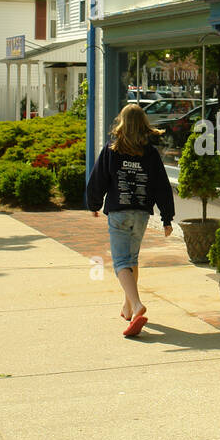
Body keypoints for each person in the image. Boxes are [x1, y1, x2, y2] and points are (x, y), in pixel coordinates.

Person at [86, 103, 175, 337]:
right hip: (141, 214)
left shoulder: (112, 149)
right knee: (131, 259)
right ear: (143, 124)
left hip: (119, 213)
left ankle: (137, 305)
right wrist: (167, 218)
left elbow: (98, 179)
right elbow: (162, 187)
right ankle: (127, 307)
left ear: (122, 122)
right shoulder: (150, 153)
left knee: (121, 263)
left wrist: (94, 204)